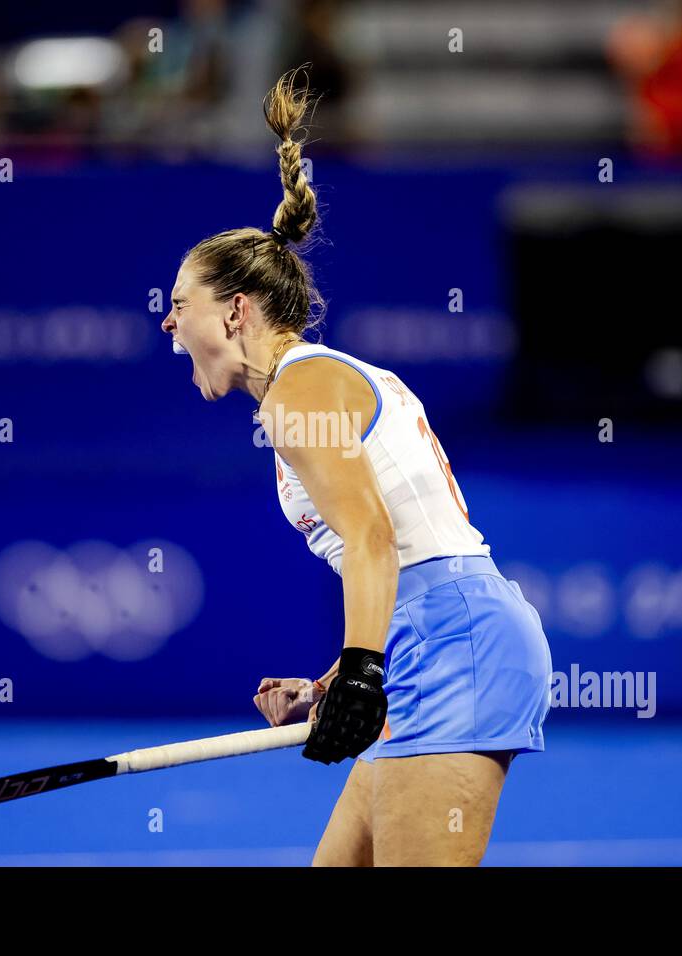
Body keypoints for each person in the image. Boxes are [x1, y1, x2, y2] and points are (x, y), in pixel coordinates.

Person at [160, 68, 552, 866]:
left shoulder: (299, 388)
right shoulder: (307, 385)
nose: (167, 323)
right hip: (423, 643)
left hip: (454, 647)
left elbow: (374, 539)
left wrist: (368, 672)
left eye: (180, 303)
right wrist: (339, 678)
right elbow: (400, 548)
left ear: (236, 310)